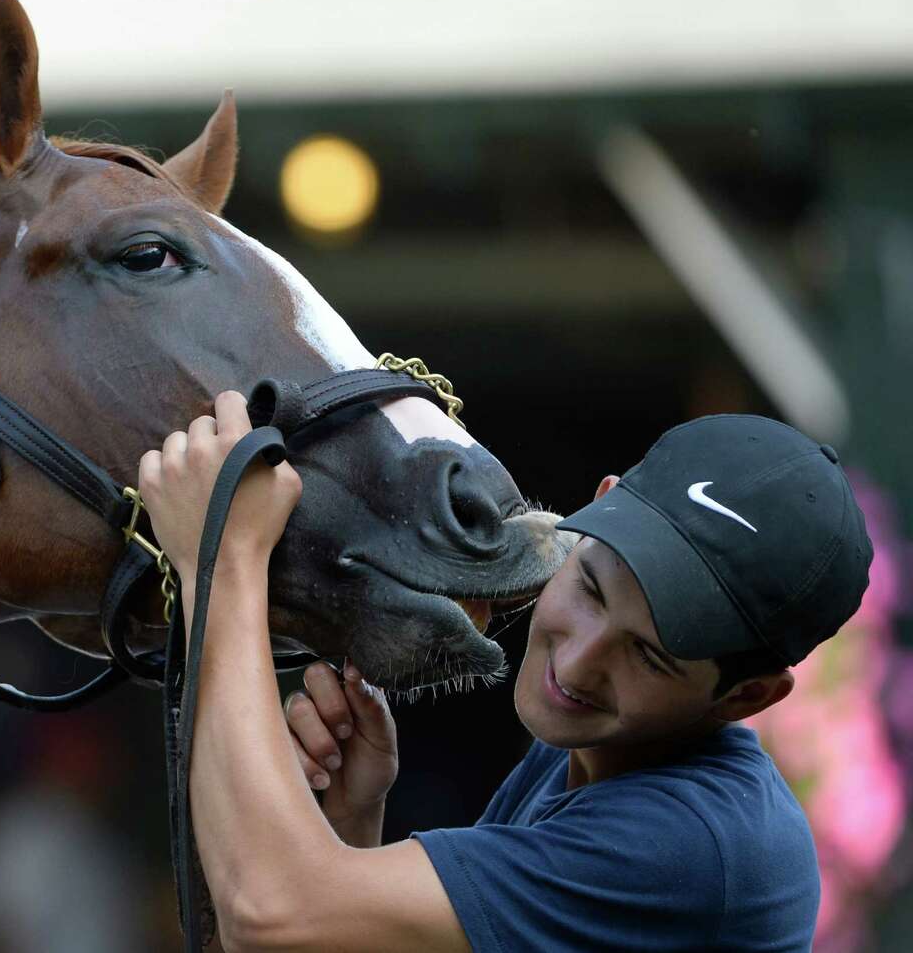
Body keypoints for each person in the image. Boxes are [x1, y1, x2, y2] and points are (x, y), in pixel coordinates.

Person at [138, 393, 872, 952]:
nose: (578, 661)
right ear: (598, 503)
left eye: (648, 655)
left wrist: (221, 561)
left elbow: (268, 910)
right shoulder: (587, 756)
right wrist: (351, 830)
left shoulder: (690, 845)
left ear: (748, 696)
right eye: (589, 589)